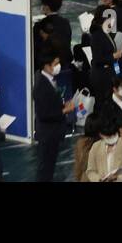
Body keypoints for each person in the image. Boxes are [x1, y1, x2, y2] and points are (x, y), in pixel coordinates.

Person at [33, 46, 75, 182]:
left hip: (53, 132)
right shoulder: (41, 85)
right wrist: (64, 110)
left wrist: (63, 105)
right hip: (47, 134)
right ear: (46, 65)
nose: (58, 66)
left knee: (49, 168)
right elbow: (44, 113)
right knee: (45, 169)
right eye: (55, 63)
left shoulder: (49, 79)